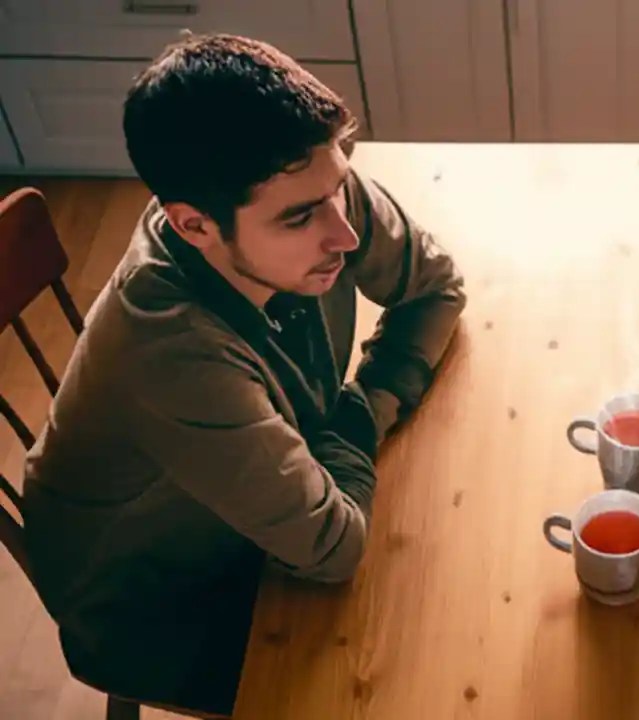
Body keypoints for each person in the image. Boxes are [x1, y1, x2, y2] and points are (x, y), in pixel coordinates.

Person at [22, 34, 465, 716]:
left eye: (339, 187)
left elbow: (437, 288)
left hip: (258, 493)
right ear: (195, 227)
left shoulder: (298, 184)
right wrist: (361, 414)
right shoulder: (169, 351)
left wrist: (360, 407)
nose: (343, 235)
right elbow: (333, 546)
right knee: (429, 659)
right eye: (300, 217)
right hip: (159, 602)